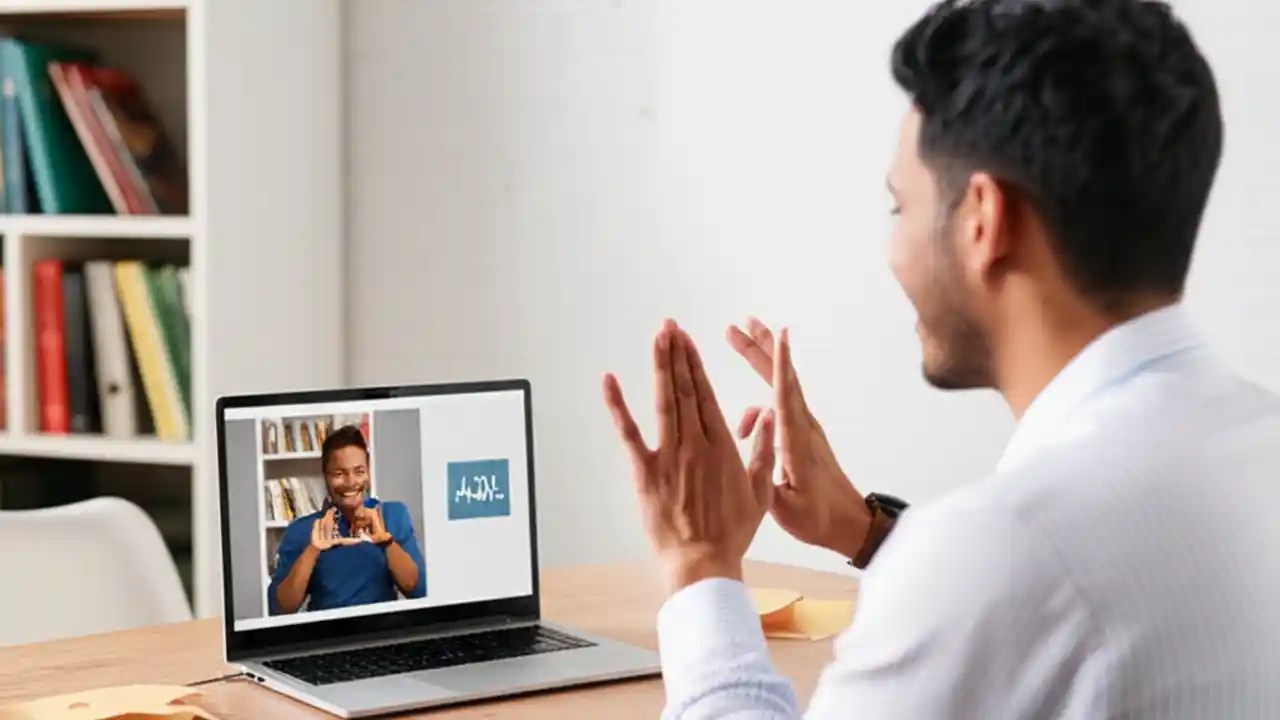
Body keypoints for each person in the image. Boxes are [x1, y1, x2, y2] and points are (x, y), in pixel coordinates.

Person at [602, 0, 1280, 717]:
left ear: (984, 221)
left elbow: (1026, 578)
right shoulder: (1256, 448)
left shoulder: (1007, 547)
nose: (894, 251)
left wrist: (700, 563)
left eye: (901, 208)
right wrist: (868, 534)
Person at [269, 425, 427, 614]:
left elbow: (420, 591)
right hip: (330, 637)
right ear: (325, 477)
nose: (351, 482)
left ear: (368, 472)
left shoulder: (393, 515)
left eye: (359, 471)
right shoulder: (301, 529)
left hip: (383, 631)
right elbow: (278, 609)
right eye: (339, 473)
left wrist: (386, 542)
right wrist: (312, 550)